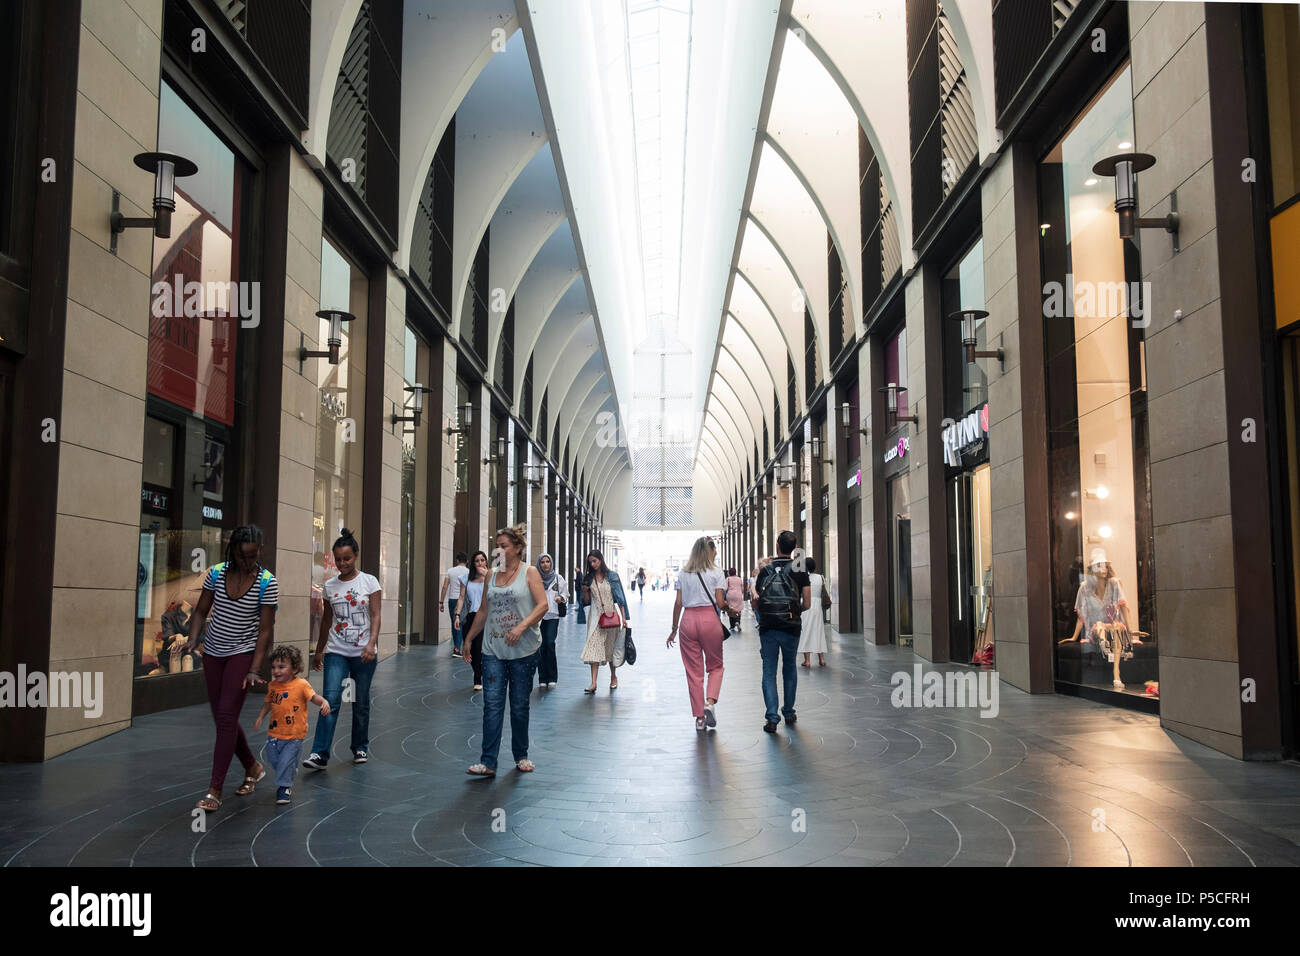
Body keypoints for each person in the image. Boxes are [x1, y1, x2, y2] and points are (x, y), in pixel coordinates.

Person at [183, 525, 279, 811]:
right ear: (233, 551)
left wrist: (254, 669)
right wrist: (192, 638)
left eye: (253, 555)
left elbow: (264, 631)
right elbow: (201, 611)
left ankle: (214, 790)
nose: (248, 561)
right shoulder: (216, 573)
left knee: (226, 717)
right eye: (242, 556)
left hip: (242, 653)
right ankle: (252, 767)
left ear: (259, 551)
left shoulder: (266, 582)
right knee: (222, 718)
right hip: (213, 653)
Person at [463, 525, 549, 776]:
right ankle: (488, 762)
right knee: (492, 704)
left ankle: (521, 755)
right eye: (496, 545)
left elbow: (542, 605)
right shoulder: (491, 574)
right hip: (493, 649)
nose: (498, 549)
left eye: (503, 545)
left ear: (518, 548)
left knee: (519, 705)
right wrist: (469, 639)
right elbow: (483, 611)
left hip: (524, 651)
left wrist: (522, 626)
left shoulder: (529, 572)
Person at [303, 528, 381, 770]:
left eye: (346, 558)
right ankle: (319, 754)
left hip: (364, 653)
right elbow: (327, 620)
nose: (342, 563)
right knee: (331, 699)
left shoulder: (369, 582)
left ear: (355, 555)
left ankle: (360, 746)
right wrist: (318, 651)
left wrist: (371, 644)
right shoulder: (330, 586)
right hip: (336, 651)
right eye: (338, 559)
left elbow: (376, 615)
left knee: (361, 701)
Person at [751, 531, 811, 734]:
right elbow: (808, 603)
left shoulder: (765, 570)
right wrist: (793, 612)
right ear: (795, 548)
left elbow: (756, 603)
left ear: (777, 545)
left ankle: (772, 718)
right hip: (791, 627)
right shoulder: (800, 570)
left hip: (768, 626)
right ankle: (788, 711)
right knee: (789, 668)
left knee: (768, 671)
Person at [255, 645, 329, 804]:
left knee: (284, 761)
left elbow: (313, 697)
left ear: (294, 669)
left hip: (294, 735)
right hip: (274, 733)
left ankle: (284, 788)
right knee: (273, 759)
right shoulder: (272, 686)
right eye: (274, 667)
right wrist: (260, 716)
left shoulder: (301, 685)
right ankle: (288, 769)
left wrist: (323, 702)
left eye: (281, 667)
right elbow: (268, 703)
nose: (276, 671)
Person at [667, 537, 727, 730]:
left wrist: (674, 629)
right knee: (716, 666)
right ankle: (709, 702)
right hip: (709, 618)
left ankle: (700, 718)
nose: (716, 552)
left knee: (693, 672)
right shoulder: (717, 572)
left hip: (688, 621)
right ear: (709, 551)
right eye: (715, 549)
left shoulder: (683, 573)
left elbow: (678, 603)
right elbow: (719, 602)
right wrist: (731, 610)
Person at [1059, 548, 1135, 689]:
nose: (1104, 569)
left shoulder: (1114, 583)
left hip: (1113, 626)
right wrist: (1074, 636)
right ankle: (1105, 646)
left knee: (1116, 626)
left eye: (1105, 565)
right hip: (1096, 629)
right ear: (1093, 569)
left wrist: (1131, 630)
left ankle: (1116, 672)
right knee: (1100, 625)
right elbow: (1081, 615)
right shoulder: (1084, 588)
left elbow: (1123, 607)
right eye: (1099, 565)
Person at [580, 549, 630, 693]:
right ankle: (593, 683)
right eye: (590, 562)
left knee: (610, 649)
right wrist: (584, 590)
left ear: (600, 560)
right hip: (596, 618)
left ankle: (613, 677)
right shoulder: (588, 578)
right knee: (593, 647)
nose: (593, 564)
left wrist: (624, 617)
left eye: (595, 561)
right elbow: (587, 601)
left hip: (611, 618)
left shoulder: (612, 576)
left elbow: (620, 598)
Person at [456, 550, 490, 690]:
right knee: (468, 648)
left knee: (478, 648)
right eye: (477, 561)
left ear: (486, 562)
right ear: (473, 563)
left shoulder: (491, 577)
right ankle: (478, 672)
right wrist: (457, 615)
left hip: (485, 617)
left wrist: (487, 576)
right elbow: (462, 597)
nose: (480, 563)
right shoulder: (466, 578)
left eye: (482, 560)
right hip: (470, 616)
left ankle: (478, 678)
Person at [536, 552, 566, 689]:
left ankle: (552, 677)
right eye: (542, 562)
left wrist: (561, 598)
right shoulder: (535, 578)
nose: (545, 564)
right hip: (538, 617)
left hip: (552, 615)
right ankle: (542, 678)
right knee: (540, 646)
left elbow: (566, 594)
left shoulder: (558, 578)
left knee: (549, 643)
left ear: (551, 563)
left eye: (547, 561)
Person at [799, 557, 829, 668]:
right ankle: (821, 659)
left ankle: (807, 660)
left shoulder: (804, 578)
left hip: (807, 605)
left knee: (806, 631)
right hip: (818, 607)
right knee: (818, 631)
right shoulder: (820, 577)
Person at [438, 551, 470, 656]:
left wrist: (441, 601)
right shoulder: (469, 572)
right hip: (463, 600)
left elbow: (444, 587)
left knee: (454, 622)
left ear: (457, 561)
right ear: (467, 561)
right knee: (461, 623)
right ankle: (458, 647)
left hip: (452, 599)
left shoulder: (450, 571)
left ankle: (456, 647)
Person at [723, 566, 745, 633]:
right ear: (736, 572)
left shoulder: (728, 579)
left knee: (731, 609)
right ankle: (737, 621)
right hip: (738, 595)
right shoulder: (739, 579)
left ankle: (732, 626)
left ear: (729, 573)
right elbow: (742, 589)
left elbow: (725, 588)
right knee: (738, 609)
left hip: (730, 595)